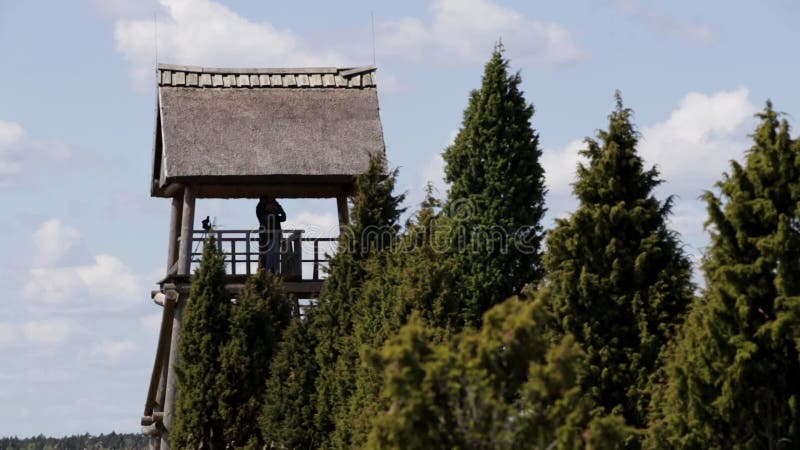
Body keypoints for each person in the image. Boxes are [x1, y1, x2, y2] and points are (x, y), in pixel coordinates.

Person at [256, 196, 286, 273]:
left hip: (274, 235)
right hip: (265, 236)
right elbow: (264, 218)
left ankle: (272, 272)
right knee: (265, 255)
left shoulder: (274, 211)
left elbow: (283, 218)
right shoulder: (261, 208)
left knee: (274, 255)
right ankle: (265, 272)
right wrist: (274, 210)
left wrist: (279, 209)